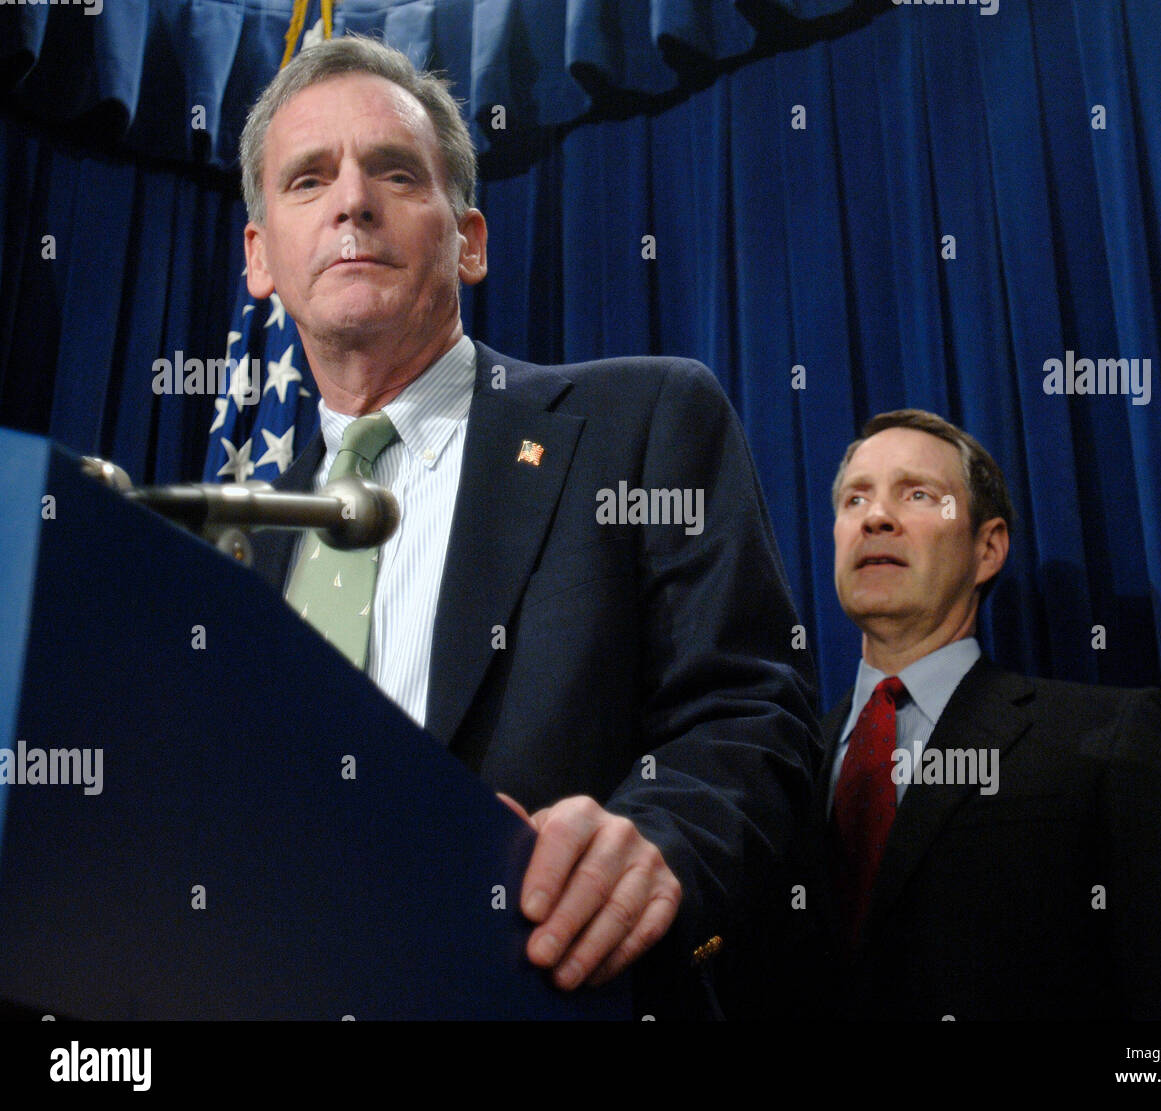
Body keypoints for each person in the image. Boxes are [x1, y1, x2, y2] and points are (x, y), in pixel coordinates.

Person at [236, 36, 819, 1016]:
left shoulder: (644, 422)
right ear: (261, 259)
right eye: (307, 180)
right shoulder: (229, 548)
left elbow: (753, 717)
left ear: (469, 239)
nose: (351, 202)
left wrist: (657, 841)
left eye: (393, 171)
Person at [820, 408, 1161, 1019]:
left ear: (988, 547)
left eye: (918, 494)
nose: (876, 517)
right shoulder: (781, 767)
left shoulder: (1111, 738)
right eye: (854, 499)